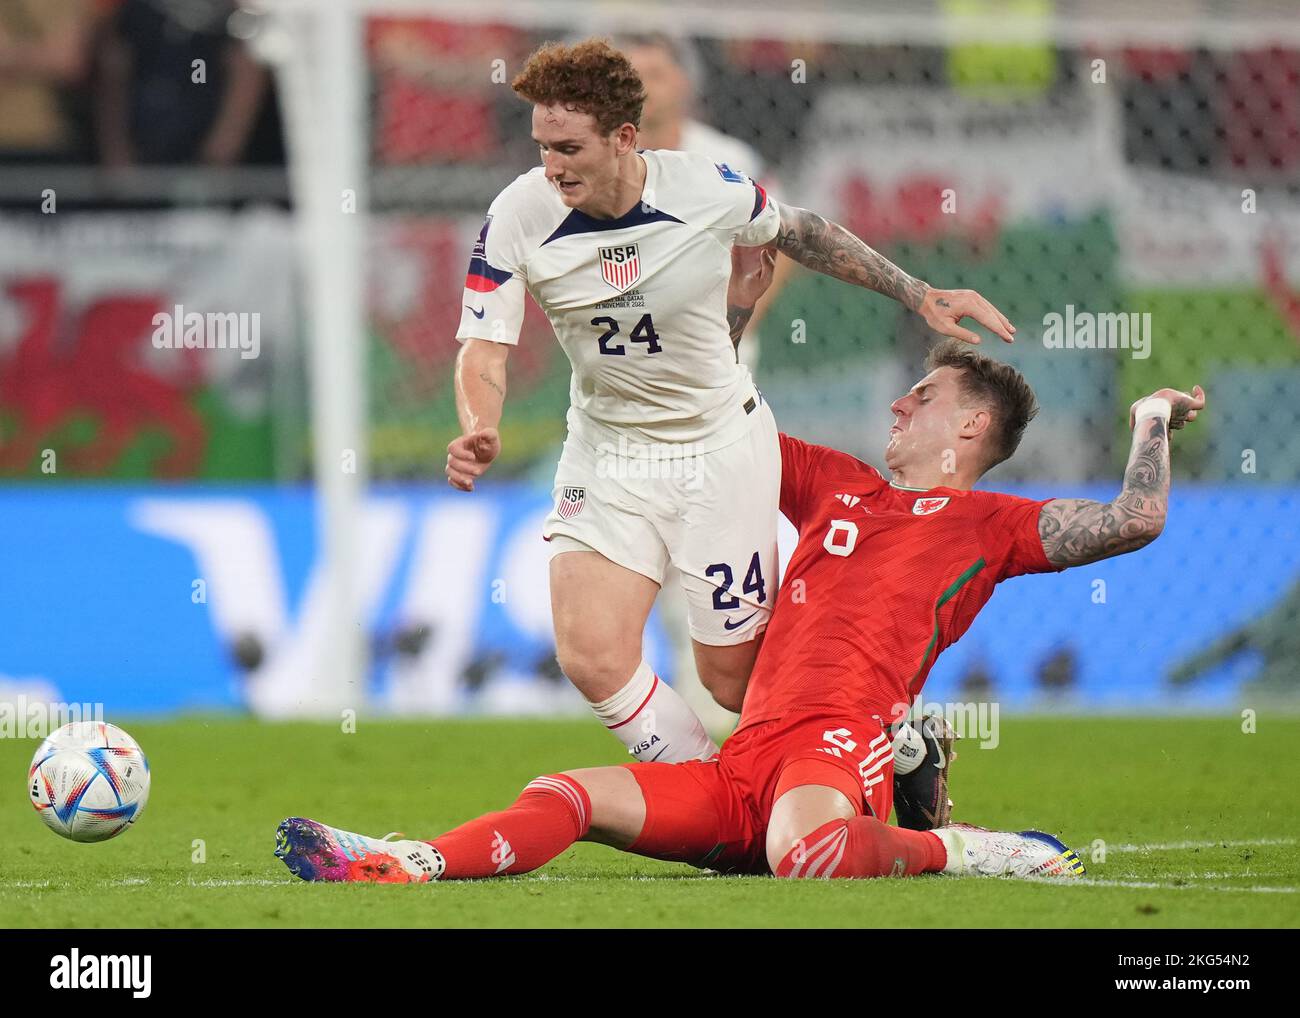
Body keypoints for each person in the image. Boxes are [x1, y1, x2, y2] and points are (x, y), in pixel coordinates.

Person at [277, 339, 1205, 882]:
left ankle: (960, 848)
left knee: (805, 853)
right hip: (745, 757)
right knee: (567, 792)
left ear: (970, 428)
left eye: (923, 397)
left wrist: (1150, 418)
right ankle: (407, 865)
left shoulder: (988, 525)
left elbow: (1135, 518)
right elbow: (733, 432)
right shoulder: (839, 487)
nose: (898, 401)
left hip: (837, 747)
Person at [445, 38, 1014, 767]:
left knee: (733, 683)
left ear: (624, 139)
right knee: (591, 653)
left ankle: (899, 744)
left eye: (568, 147)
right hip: (606, 451)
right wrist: (480, 427)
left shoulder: (706, 186)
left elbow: (804, 232)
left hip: (718, 449)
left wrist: (917, 292)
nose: (551, 165)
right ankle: (712, 790)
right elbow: (484, 346)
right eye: (542, 146)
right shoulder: (520, 212)